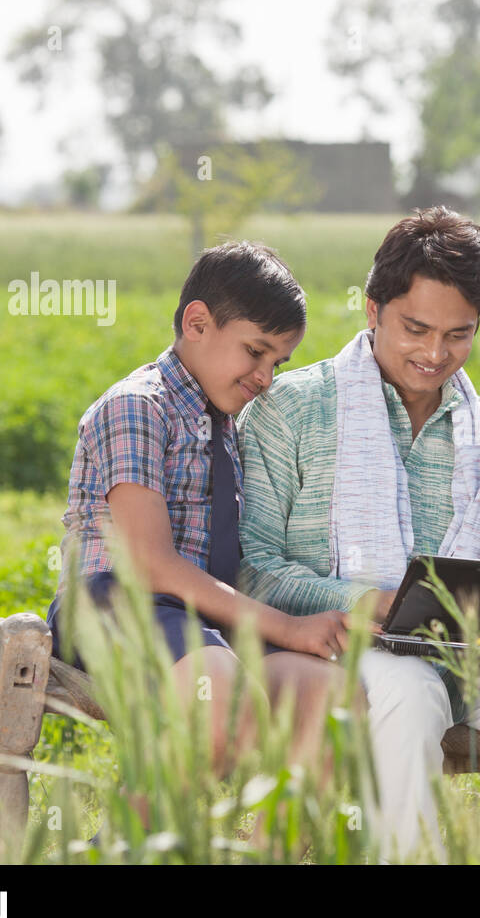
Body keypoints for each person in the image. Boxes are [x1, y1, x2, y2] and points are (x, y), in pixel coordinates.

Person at [237, 207, 480, 859]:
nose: (434, 353)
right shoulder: (288, 413)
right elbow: (249, 570)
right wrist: (359, 600)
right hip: (332, 653)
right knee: (408, 693)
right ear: (372, 308)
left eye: (458, 335)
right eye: (416, 328)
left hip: (471, 657)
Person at [46, 240, 351, 776]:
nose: (266, 377)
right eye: (255, 352)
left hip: (201, 622)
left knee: (332, 699)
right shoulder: (139, 407)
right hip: (117, 603)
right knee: (224, 708)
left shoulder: (225, 422)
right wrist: (288, 627)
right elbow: (150, 564)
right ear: (198, 323)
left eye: (278, 361)